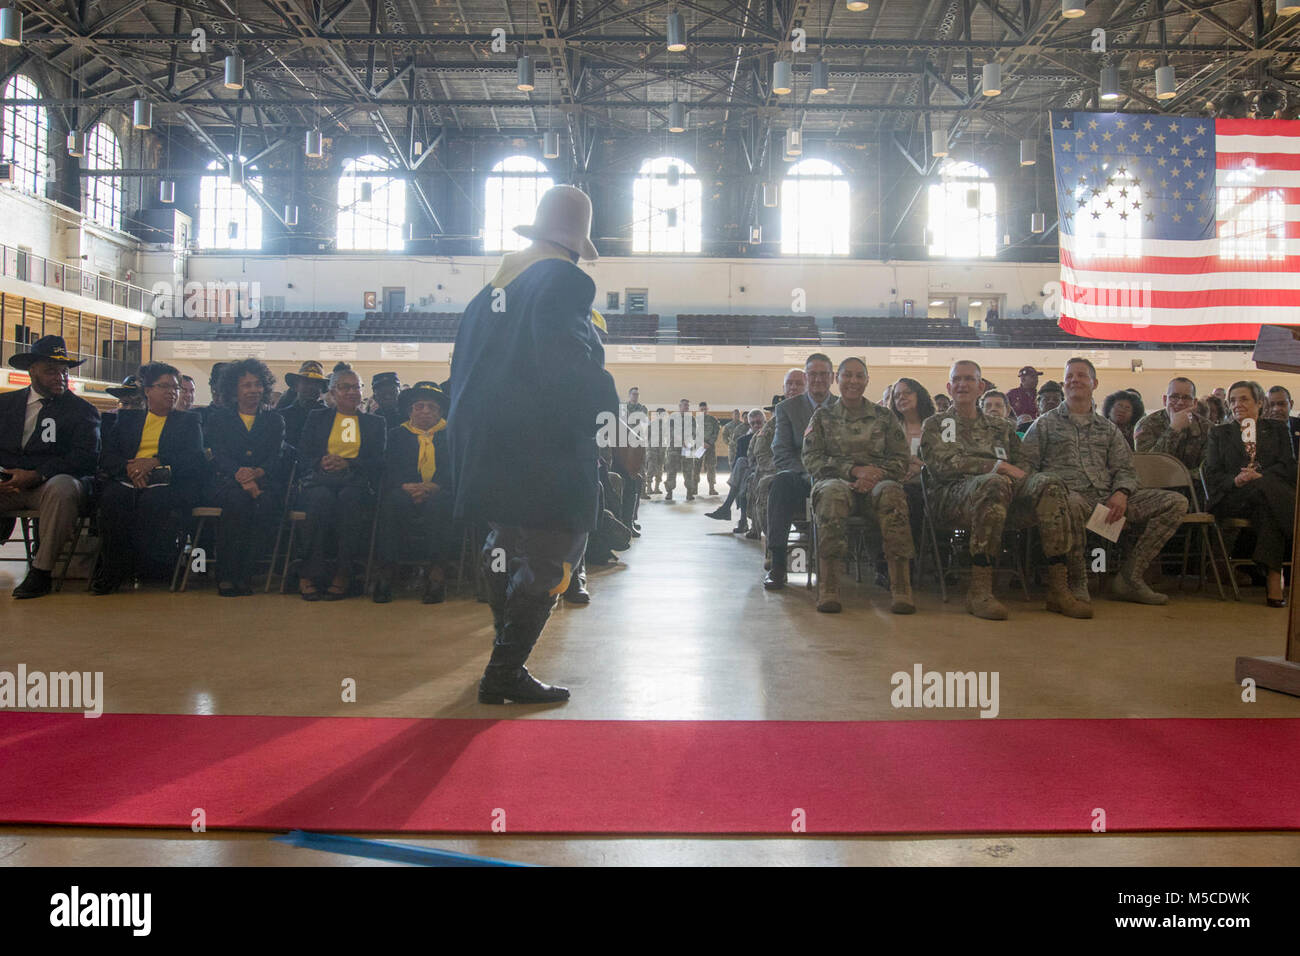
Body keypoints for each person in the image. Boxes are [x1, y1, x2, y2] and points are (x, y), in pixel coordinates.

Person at [447, 184, 618, 705]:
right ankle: (504, 672)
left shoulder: (490, 292)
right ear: (573, 245)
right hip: (544, 449)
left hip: (486, 446)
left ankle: (503, 656)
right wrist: (606, 416)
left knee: (506, 542)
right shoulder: (564, 281)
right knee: (553, 555)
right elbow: (568, 363)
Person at [921, 360, 1090, 620]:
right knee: (993, 482)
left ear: (981, 386)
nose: (962, 384)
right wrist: (997, 467)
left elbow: (1021, 462)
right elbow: (944, 465)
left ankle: (1058, 588)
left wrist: (1013, 476)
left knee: (1050, 483)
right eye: (957, 380)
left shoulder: (1001, 427)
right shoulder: (940, 424)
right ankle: (979, 590)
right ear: (949, 386)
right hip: (952, 498)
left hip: (1002, 496)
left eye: (969, 379)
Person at [1021, 358, 1187, 606]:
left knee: (1175, 502)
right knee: (1073, 504)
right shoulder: (1044, 425)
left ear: (1094, 383)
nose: (1074, 380)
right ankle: (1077, 582)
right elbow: (1026, 468)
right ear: (1064, 384)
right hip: (1067, 501)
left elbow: (1126, 469)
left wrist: (1121, 492)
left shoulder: (1108, 429)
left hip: (1108, 502)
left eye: (1081, 376)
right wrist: (1049, 491)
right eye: (1069, 377)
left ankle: (1130, 577)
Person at [803, 357, 915, 614]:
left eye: (859, 376)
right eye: (847, 376)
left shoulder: (884, 417)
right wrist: (853, 470)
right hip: (837, 482)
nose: (853, 381)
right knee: (830, 494)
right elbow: (811, 458)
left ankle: (901, 586)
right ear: (837, 380)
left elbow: (900, 459)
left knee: (893, 494)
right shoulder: (822, 416)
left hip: (877, 486)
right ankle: (829, 586)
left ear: (867, 381)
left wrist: (875, 475)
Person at [0, 336, 101, 599]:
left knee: (63, 487)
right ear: (32, 370)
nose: (60, 378)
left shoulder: (82, 411)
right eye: (51, 371)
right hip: (7, 483)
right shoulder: (5, 405)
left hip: (48, 485)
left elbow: (85, 458)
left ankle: (41, 572)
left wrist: (35, 474)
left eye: (64, 372)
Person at [93, 362, 206, 594]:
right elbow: (108, 456)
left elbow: (194, 459)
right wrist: (132, 469)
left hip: (168, 480)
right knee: (112, 498)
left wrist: (154, 462)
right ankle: (112, 570)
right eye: (164, 386)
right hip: (129, 478)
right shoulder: (127, 420)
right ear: (147, 390)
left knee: (152, 501)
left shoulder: (188, 421)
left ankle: (153, 565)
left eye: (175, 387)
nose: (172, 392)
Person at [295, 367, 386, 601]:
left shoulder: (375, 423)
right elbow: (303, 454)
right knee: (319, 499)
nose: (352, 392)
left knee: (349, 499)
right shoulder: (317, 418)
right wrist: (321, 461)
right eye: (345, 387)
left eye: (356, 387)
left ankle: (343, 573)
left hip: (355, 483)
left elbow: (377, 462)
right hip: (320, 480)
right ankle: (310, 573)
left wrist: (348, 464)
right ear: (333, 392)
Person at [1204, 381, 1296, 607]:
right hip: (1233, 496)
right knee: (1270, 496)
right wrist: (1236, 479)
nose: (1237, 405)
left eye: (1244, 399)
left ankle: (1274, 578)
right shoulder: (1219, 433)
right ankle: (1276, 577)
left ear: (1259, 403)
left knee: (1266, 504)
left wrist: (1259, 476)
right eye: (1232, 400)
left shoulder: (1277, 429)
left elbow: (1288, 466)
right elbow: (1212, 474)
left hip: (1265, 496)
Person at [205, 359, 285, 596]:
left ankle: (246, 573)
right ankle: (227, 575)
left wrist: (257, 474)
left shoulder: (274, 420)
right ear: (234, 389)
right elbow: (216, 453)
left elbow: (277, 455)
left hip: (264, 482)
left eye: (258, 384)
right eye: (246, 385)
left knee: (265, 505)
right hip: (227, 481)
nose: (253, 390)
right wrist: (240, 475)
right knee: (237, 503)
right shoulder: (218, 418)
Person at [373, 381, 455, 604]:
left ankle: (436, 573)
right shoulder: (397, 434)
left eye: (431, 407)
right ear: (410, 411)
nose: (425, 411)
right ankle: (386, 571)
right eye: (419, 406)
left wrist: (434, 486)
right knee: (391, 503)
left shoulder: (451, 435)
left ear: (440, 411)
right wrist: (406, 486)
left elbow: (455, 468)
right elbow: (388, 467)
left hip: (440, 491)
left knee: (441, 504)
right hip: (405, 490)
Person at [765, 353, 836, 590]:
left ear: (832, 377)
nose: (818, 379)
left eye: (823, 374)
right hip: (800, 477)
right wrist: (809, 473)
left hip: (837, 476)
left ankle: (878, 567)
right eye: (813, 374)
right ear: (806, 378)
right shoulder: (787, 408)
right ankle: (777, 564)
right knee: (781, 482)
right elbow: (781, 451)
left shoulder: (844, 406)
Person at [752, 371, 807, 544]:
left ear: (807, 386)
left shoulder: (818, 415)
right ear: (783, 388)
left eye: (798, 383)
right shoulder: (773, 424)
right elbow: (762, 453)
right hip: (783, 472)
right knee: (766, 484)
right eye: (789, 384)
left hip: (812, 472)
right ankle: (775, 548)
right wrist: (783, 469)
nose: (793, 388)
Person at [886, 377, 934, 573]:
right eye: (897, 395)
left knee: (916, 499)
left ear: (919, 394)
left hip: (931, 485)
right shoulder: (890, 428)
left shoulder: (936, 425)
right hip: (898, 484)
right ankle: (902, 565)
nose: (901, 398)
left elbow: (946, 457)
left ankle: (916, 563)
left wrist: (920, 467)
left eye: (907, 393)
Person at [706, 408, 765, 530]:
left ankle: (729, 510)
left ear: (764, 422)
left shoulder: (771, 437)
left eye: (759, 422)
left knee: (741, 468)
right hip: (749, 473)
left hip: (766, 469)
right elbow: (737, 463)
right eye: (752, 423)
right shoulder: (743, 441)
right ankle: (738, 517)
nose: (756, 426)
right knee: (742, 471)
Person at [1134, 377, 1210, 472]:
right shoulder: (1146, 425)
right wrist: (1173, 429)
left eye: (1186, 398)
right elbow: (1148, 466)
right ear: (1165, 400)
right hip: (1156, 484)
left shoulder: (1207, 427)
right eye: (1174, 397)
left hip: (1195, 485)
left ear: (1194, 403)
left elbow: (1207, 468)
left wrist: (1182, 479)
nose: (1180, 402)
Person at [279, 360, 329, 452]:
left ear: (322, 388)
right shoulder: (282, 416)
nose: (311, 387)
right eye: (306, 382)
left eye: (316, 383)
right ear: (295, 386)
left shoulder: (330, 417)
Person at [663, 398, 700, 501]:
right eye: (685, 405)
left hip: (687, 448)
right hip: (674, 448)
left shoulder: (691, 419)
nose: (686, 407)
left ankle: (689, 493)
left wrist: (687, 441)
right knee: (671, 470)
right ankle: (669, 492)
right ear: (680, 406)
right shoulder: (673, 417)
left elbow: (694, 432)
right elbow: (669, 430)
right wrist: (680, 439)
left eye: (688, 406)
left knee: (689, 470)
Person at [1265, 385, 1300, 458]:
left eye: (1281, 404)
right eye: (1271, 405)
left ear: (1291, 404)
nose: (1276, 409)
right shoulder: (1257, 432)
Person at [699, 401, 721, 495]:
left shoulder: (713, 420)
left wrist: (709, 443)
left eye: (705, 409)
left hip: (710, 447)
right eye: (701, 409)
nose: (703, 411)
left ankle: (711, 488)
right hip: (698, 447)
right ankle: (693, 489)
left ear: (707, 409)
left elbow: (716, 432)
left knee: (711, 467)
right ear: (699, 410)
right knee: (695, 467)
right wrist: (701, 443)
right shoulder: (695, 420)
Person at [644, 407, 666, 496]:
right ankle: (649, 487)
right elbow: (646, 436)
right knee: (651, 468)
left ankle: (657, 487)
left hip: (662, 450)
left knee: (660, 468)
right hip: (652, 449)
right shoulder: (651, 425)